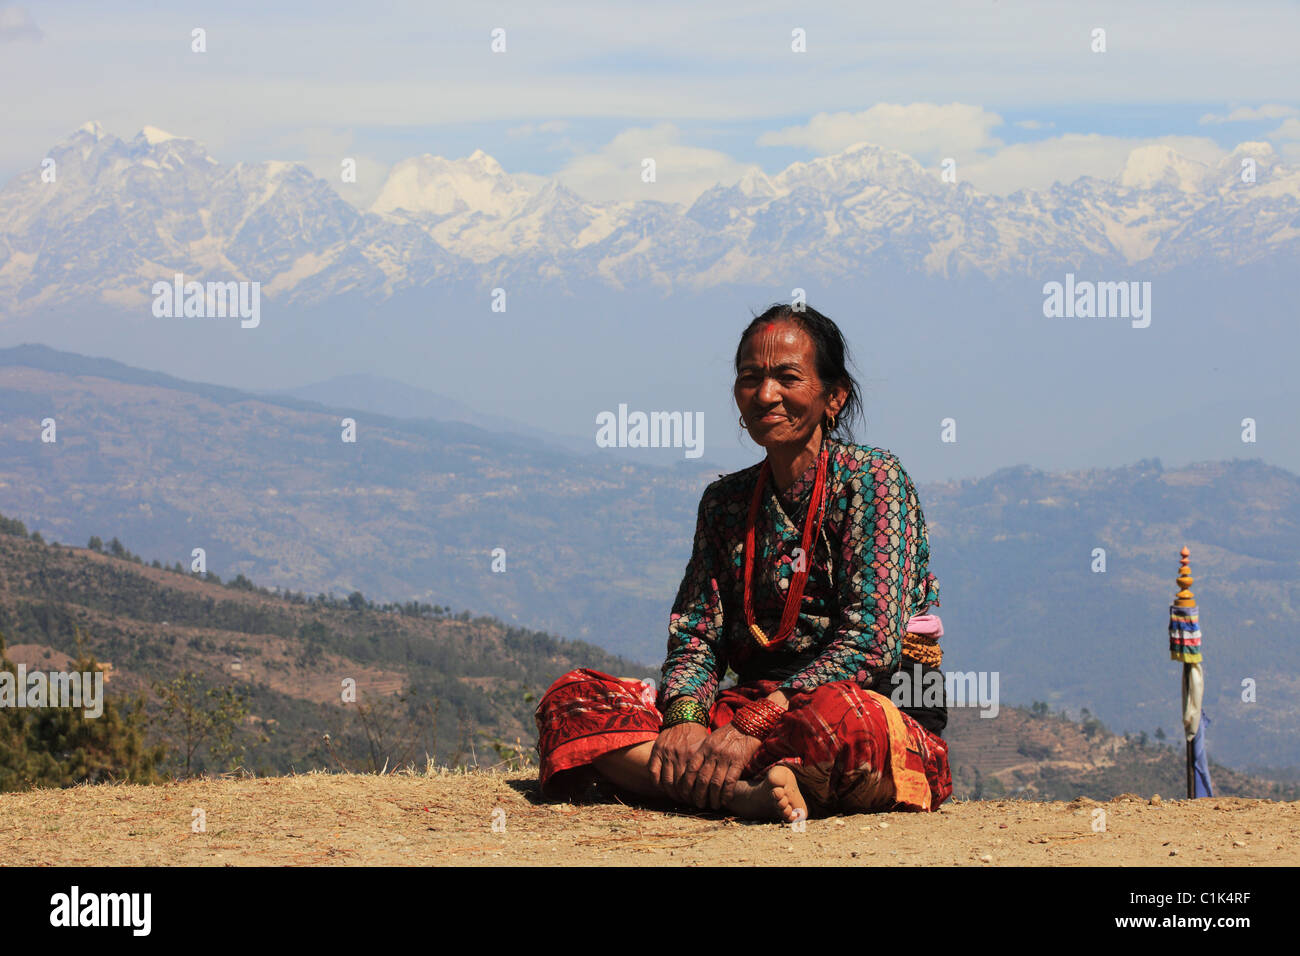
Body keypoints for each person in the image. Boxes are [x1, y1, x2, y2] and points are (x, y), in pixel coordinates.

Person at [534, 304, 952, 822]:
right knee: (574, 699)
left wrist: (757, 723)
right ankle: (747, 792)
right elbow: (697, 633)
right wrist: (685, 721)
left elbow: (870, 642)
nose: (765, 394)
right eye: (750, 378)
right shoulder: (725, 501)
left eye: (787, 377)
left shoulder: (873, 481)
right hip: (746, 712)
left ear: (834, 397)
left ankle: (712, 777)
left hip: (864, 702)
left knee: (844, 721)